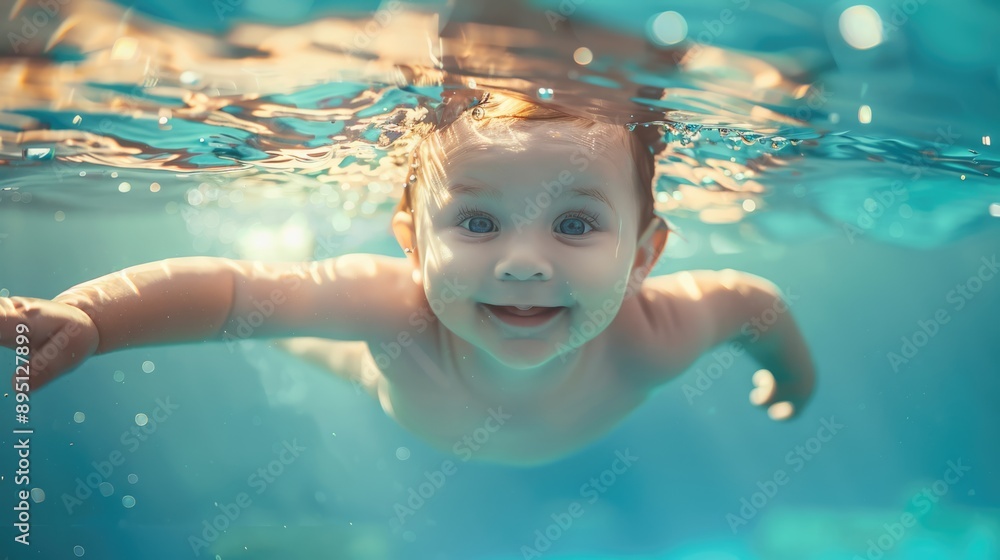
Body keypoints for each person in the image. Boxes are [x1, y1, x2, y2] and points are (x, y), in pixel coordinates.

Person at [0, 90, 815, 466]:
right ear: (413, 245)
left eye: (574, 224)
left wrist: (792, 372)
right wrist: (97, 318)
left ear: (643, 257)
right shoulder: (392, 305)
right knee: (300, 328)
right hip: (391, 365)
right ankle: (288, 240)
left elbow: (758, 305)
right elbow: (231, 295)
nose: (524, 261)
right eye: (477, 221)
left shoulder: (659, 336)